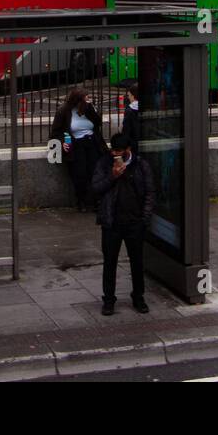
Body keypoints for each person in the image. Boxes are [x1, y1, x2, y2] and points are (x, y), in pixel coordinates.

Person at [91, 132, 156, 315]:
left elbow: (150, 192)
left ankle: (138, 297)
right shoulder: (104, 164)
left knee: (137, 262)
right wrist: (112, 176)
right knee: (109, 262)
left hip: (134, 222)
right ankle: (109, 299)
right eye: (113, 150)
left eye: (119, 151)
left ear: (128, 150)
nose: (115, 154)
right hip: (112, 222)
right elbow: (96, 188)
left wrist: (144, 218)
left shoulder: (140, 165)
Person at [49, 87, 109, 211]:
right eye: (86, 99)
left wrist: (91, 109)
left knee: (95, 171)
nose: (89, 101)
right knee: (79, 174)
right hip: (76, 145)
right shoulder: (64, 111)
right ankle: (81, 201)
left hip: (92, 142)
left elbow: (97, 123)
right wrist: (62, 142)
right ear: (78, 100)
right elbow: (55, 132)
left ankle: (96, 200)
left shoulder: (88, 109)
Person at [119, 80, 142, 152]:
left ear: (133, 95)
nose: (128, 98)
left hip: (134, 143)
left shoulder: (130, 110)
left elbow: (126, 129)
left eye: (129, 95)